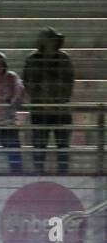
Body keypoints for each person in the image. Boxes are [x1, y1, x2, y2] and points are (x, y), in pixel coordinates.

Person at [23, 27, 75, 174]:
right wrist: (43, 102)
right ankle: (39, 174)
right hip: (40, 110)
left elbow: (69, 83)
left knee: (63, 146)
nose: (53, 42)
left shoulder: (64, 58)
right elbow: (28, 83)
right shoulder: (32, 59)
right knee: (39, 145)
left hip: (61, 110)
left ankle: (63, 174)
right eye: (50, 39)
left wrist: (57, 102)